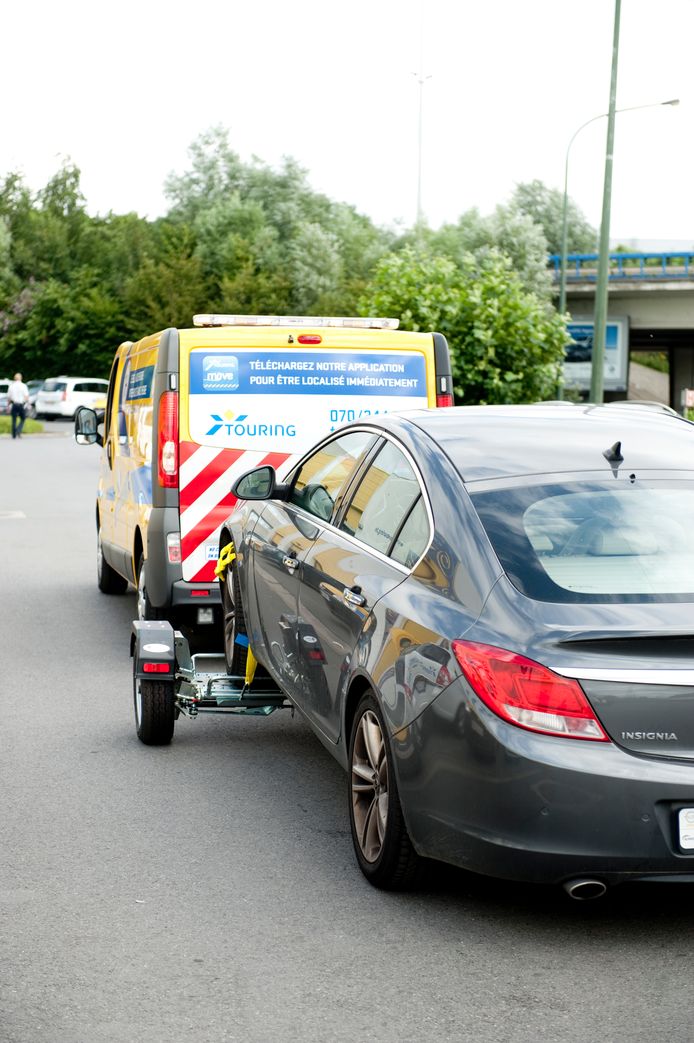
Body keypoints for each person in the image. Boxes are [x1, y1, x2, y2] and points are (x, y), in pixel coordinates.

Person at [8, 372, 29, 439]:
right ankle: (18, 430)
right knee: (23, 418)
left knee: (14, 419)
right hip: (21, 404)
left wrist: (8, 406)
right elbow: (26, 396)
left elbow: (9, 397)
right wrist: (26, 403)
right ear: (21, 378)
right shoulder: (23, 386)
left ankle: (13, 434)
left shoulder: (11, 386)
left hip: (14, 404)